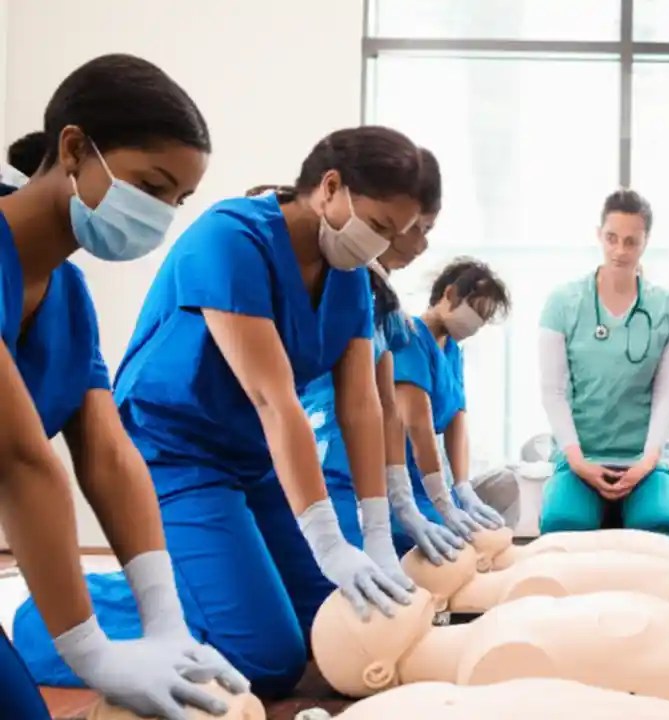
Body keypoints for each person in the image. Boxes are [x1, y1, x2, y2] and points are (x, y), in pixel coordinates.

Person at [15, 126, 433, 699]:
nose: (381, 245)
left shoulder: (350, 278)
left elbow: (361, 405)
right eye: (380, 226)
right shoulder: (232, 237)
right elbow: (272, 397)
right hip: (175, 453)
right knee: (266, 658)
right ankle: (50, 617)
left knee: (334, 617)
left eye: (395, 235)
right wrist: (331, 543)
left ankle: (202, 580)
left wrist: (378, 535)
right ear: (331, 187)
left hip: (252, 459)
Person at [0, 54, 244, 720]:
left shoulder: (66, 295)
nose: (161, 215)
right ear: (74, 149)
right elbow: (21, 461)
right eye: (151, 185)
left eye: (178, 200)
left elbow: (107, 454)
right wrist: (91, 652)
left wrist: (164, 621)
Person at [298, 147, 468, 566]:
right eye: (414, 227)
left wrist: (401, 502)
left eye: (424, 228)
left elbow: (386, 408)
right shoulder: (335, 278)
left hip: (364, 475)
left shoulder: (381, 300)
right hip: (323, 471)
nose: (419, 242)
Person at [538, 189, 669, 537]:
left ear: (645, 242)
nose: (620, 251)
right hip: (580, 454)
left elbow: (667, 395)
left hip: (643, 456)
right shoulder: (563, 303)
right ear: (598, 235)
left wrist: (648, 461)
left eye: (631, 241)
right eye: (612, 238)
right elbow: (553, 392)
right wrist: (577, 460)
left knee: (660, 525)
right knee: (563, 524)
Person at [387, 257, 512, 546]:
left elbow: (457, 420)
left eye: (485, 318)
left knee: (492, 536)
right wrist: (443, 503)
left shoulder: (453, 351)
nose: (477, 324)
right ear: (450, 294)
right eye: (476, 311)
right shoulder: (409, 339)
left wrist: (462, 486)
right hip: (405, 482)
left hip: (433, 480)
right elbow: (418, 426)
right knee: (455, 549)